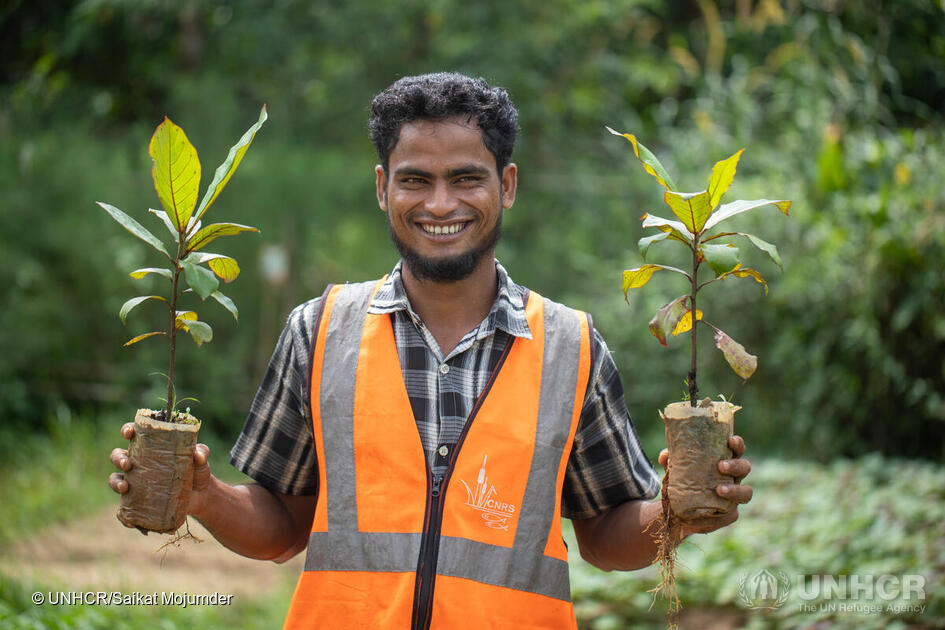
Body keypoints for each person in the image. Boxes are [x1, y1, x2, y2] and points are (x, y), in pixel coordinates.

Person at [109, 72, 752, 629]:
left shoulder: (572, 348)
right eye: (416, 180)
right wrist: (201, 495)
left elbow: (607, 537)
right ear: (383, 187)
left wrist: (675, 510)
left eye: (466, 179)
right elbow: (282, 526)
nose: (440, 204)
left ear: (507, 184)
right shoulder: (319, 331)